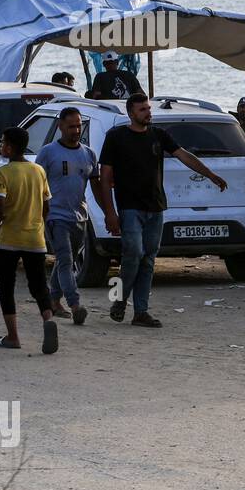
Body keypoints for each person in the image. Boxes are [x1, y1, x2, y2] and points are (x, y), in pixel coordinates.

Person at [98, 93, 228, 328]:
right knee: (133, 256)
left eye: (148, 109)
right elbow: (105, 178)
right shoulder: (116, 137)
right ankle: (118, 299)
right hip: (129, 208)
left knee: (148, 260)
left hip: (156, 207)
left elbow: (184, 156)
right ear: (130, 113)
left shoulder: (159, 135)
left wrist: (210, 175)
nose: (148, 113)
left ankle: (141, 312)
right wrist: (110, 213)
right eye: (142, 110)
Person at [0, 127, 58, 354]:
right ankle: (48, 319)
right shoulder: (38, 171)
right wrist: (39, 223)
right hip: (35, 238)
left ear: (9, 147)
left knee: (6, 286)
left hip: (9, 238)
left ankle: (13, 336)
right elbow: (46, 205)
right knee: (39, 284)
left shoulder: (2, 173)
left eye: (2, 142)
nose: (1, 146)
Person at [35, 107, 100, 325]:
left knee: (66, 261)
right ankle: (75, 304)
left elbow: (96, 186)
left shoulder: (88, 154)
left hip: (79, 217)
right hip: (55, 216)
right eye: (71, 126)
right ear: (61, 126)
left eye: (78, 125)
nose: (76, 130)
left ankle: (54, 300)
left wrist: (109, 214)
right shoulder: (48, 152)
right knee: (65, 259)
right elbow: (36, 185)